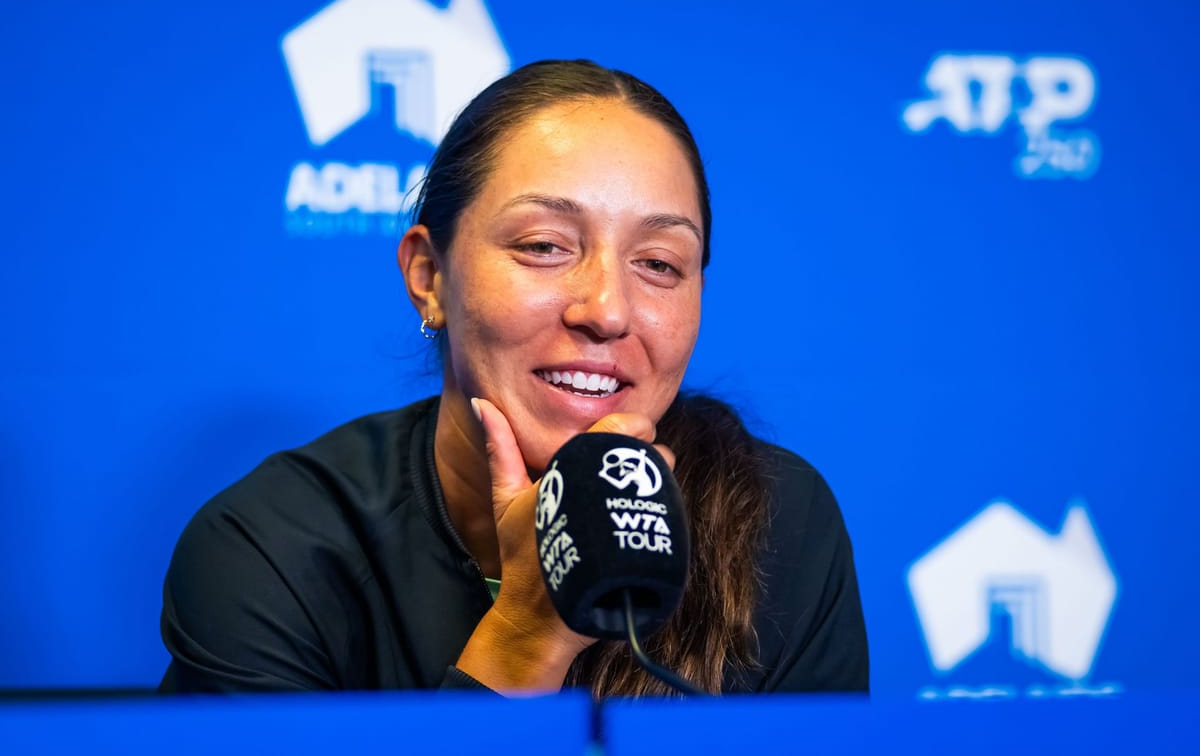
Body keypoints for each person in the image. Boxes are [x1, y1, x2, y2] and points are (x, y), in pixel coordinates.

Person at [158, 59, 868, 696]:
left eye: (658, 263)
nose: (608, 311)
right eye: (545, 246)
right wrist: (529, 633)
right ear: (430, 276)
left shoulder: (776, 520)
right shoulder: (272, 549)